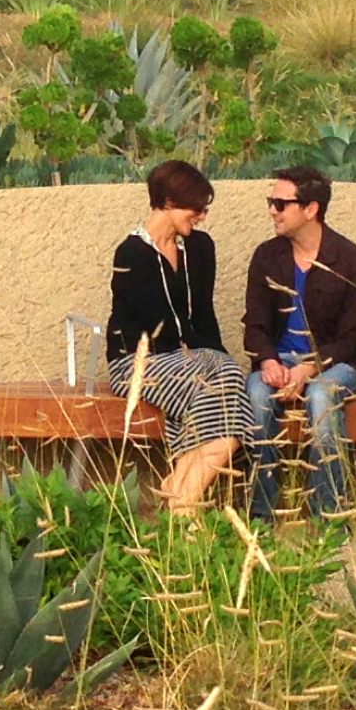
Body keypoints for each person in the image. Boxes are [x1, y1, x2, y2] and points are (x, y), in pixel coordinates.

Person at [105, 159, 258, 514]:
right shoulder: (131, 254)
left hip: (194, 362)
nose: (202, 216)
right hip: (139, 361)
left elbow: (204, 314)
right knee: (229, 400)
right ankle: (183, 499)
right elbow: (149, 329)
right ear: (169, 202)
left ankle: (179, 494)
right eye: (196, 208)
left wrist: (217, 360)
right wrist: (211, 363)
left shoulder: (201, 249)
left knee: (227, 384)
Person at [240, 163, 356, 521]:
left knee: (321, 396)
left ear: (310, 209)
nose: (272, 210)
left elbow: (354, 338)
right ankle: (261, 516)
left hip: (335, 365)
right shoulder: (267, 256)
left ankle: (329, 517)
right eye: (271, 201)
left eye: (281, 204)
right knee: (255, 394)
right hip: (278, 361)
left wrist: (310, 367)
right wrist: (268, 362)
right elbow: (254, 325)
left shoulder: (350, 260)